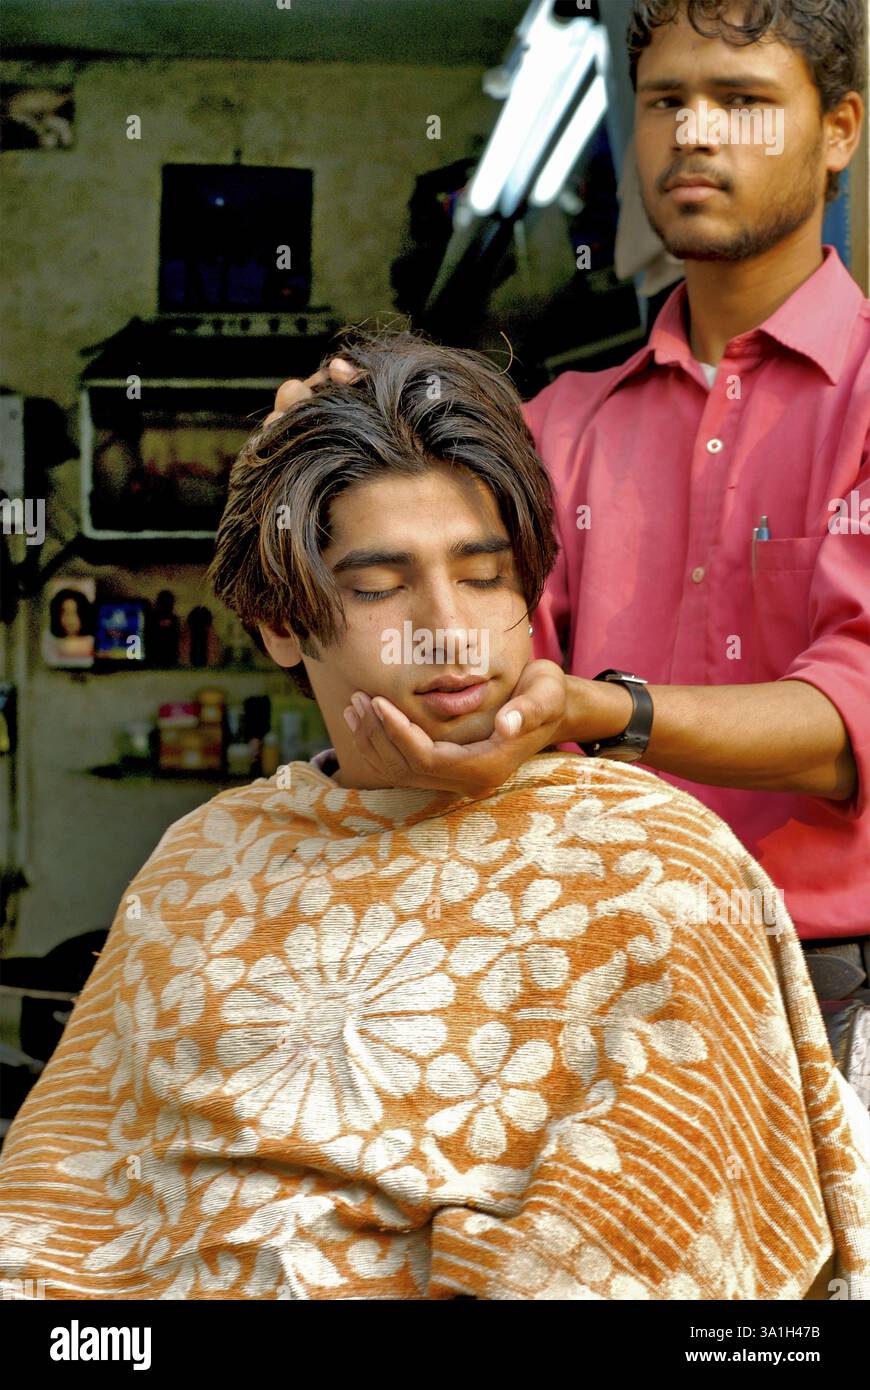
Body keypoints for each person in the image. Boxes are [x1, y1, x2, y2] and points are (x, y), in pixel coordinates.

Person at [1, 329, 867, 1301]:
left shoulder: (654, 875)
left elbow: (638, 1259)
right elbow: (53, 1225)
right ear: (283, 621)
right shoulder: (201, 864)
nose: (448, 628)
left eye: (485, 574)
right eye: (379, 584)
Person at [267, 0, 870, 962]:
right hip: (588, 958)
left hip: (825, 970)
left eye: (741, 101)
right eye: (665, 100)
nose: (695, 133)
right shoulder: (557, 425)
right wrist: (318, 482)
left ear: (839, 130)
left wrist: (604, 710)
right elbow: (466, 681)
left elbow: (853, 728)